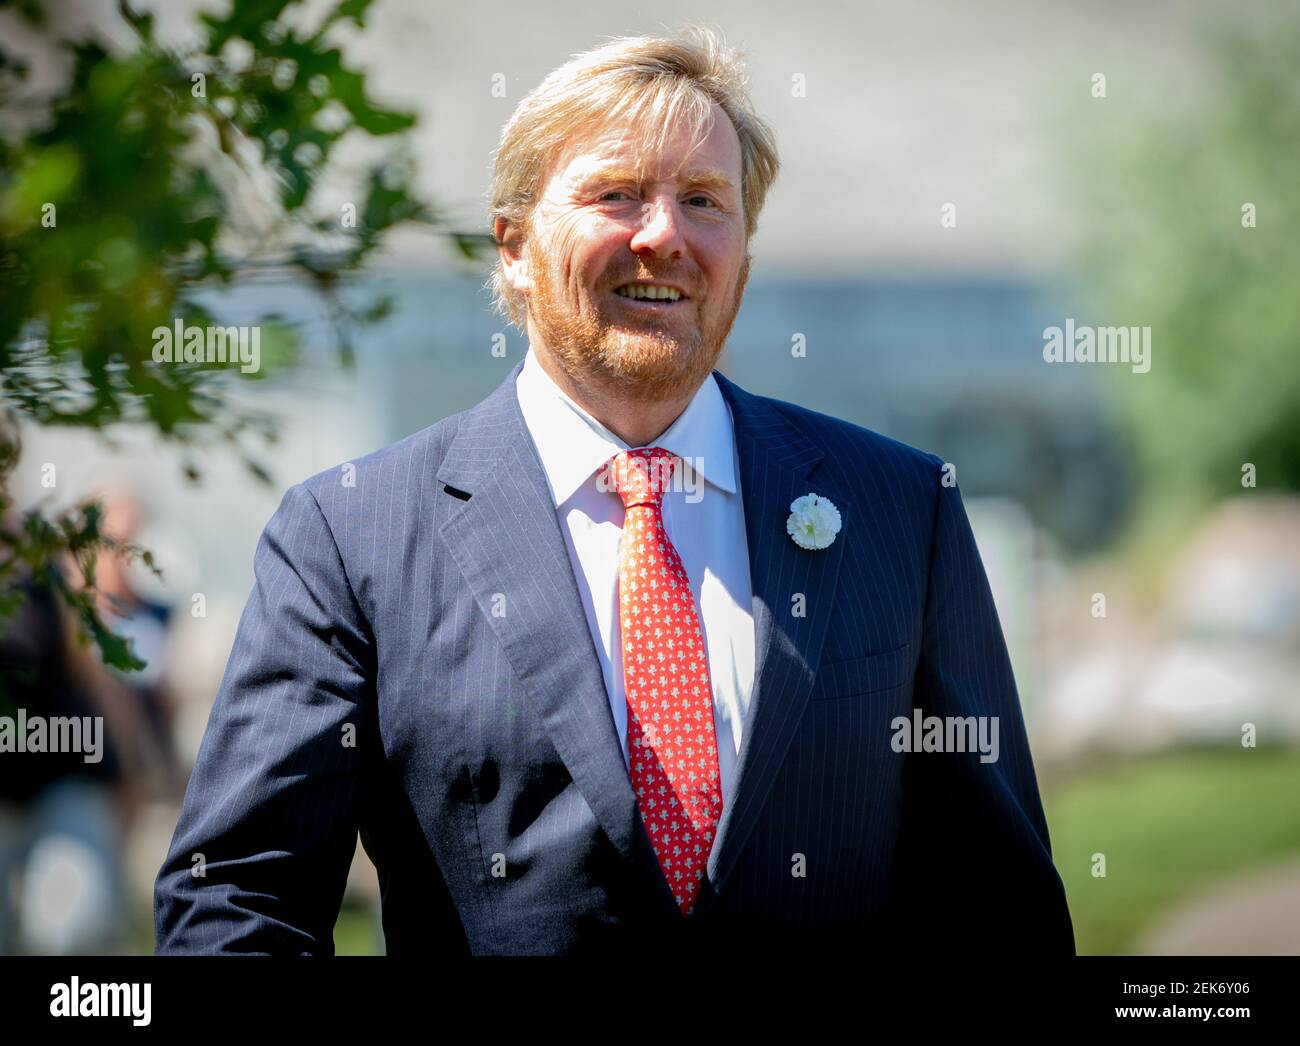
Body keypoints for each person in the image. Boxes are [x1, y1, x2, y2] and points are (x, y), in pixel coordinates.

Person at [155, 25, 1075, 956]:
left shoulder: (899, 510)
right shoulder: (351, 537)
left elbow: (996, 903)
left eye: (704, 200)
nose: (665, 234)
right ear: (513, 247)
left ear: (744, 257)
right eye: (617, 194)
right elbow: (236, 903)